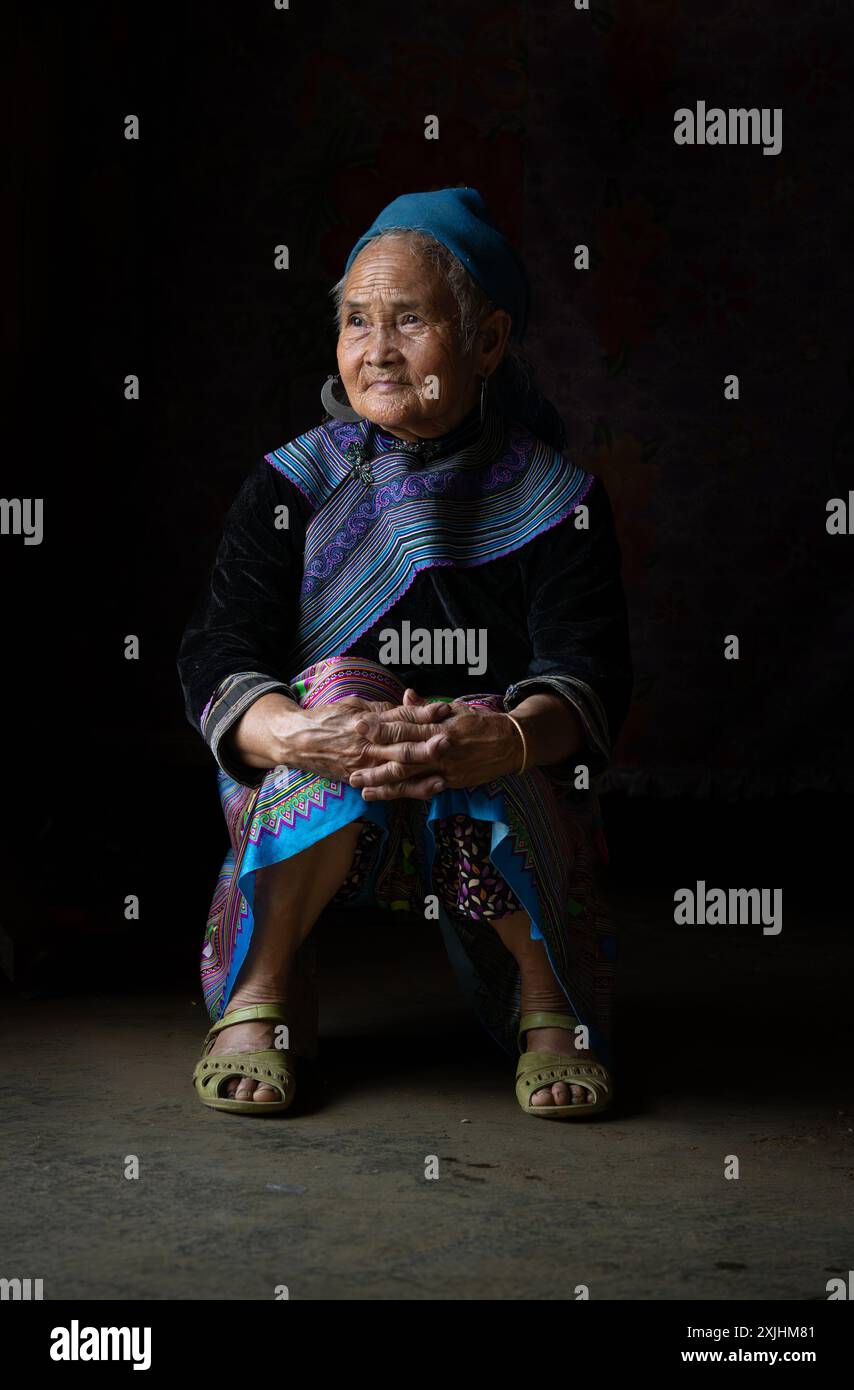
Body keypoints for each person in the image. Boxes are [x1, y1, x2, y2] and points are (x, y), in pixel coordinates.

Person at [177, 186, 632, 1119]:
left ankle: (550, 1005)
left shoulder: (560, 499)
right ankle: (262, 990)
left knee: (478, 725)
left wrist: (499, 738)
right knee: (338, 688)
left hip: (485, 794)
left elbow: (587, 674)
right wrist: (304, 734)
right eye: (356, 320)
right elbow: (218, 652)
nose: (376, 349)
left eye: (410, 320)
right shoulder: (288, 484)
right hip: (320, 792)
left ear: (489, 342)